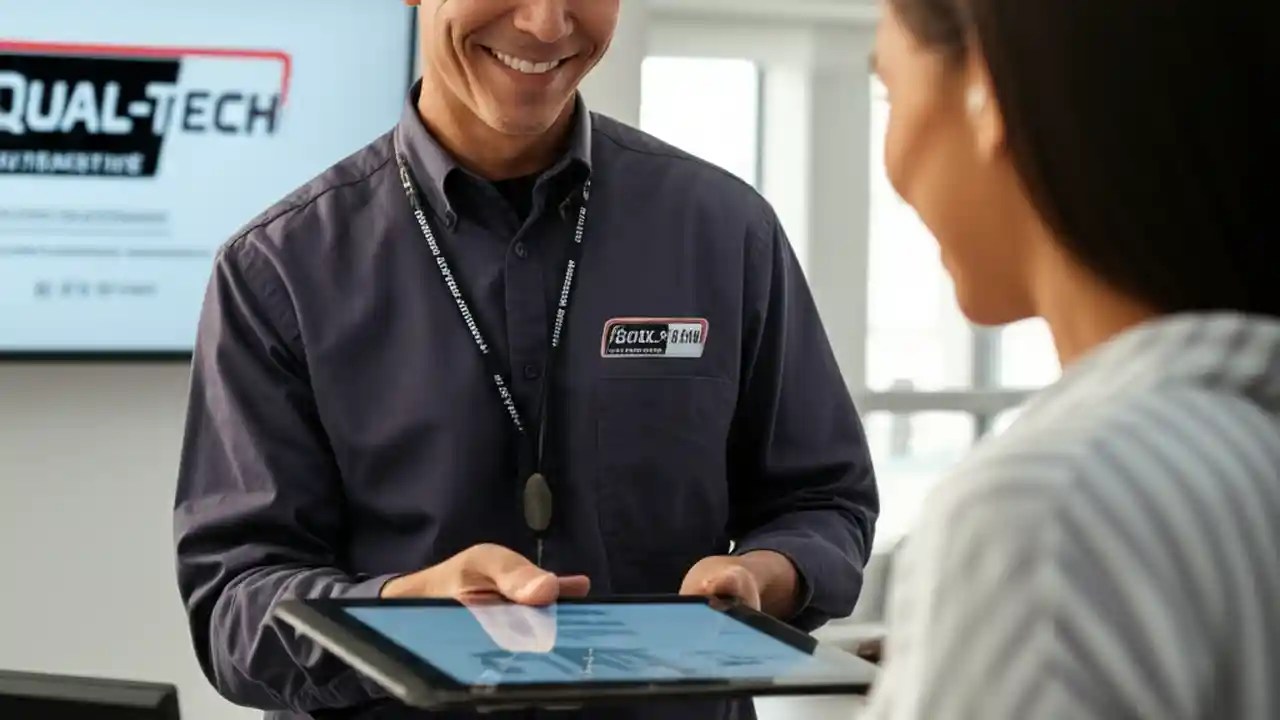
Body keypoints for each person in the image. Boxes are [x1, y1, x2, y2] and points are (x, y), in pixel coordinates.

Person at [172, 1, 879, 719]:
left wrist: (764, 576)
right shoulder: (278, 269)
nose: (546, 24)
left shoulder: (727, 233)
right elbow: (235, 609)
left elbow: (824, 503)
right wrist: (405, 612)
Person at [862, 0, 1277, 718]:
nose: (892, 162)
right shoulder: (1246, 446)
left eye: (889, 93)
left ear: (985, 88)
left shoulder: (1051, 509)